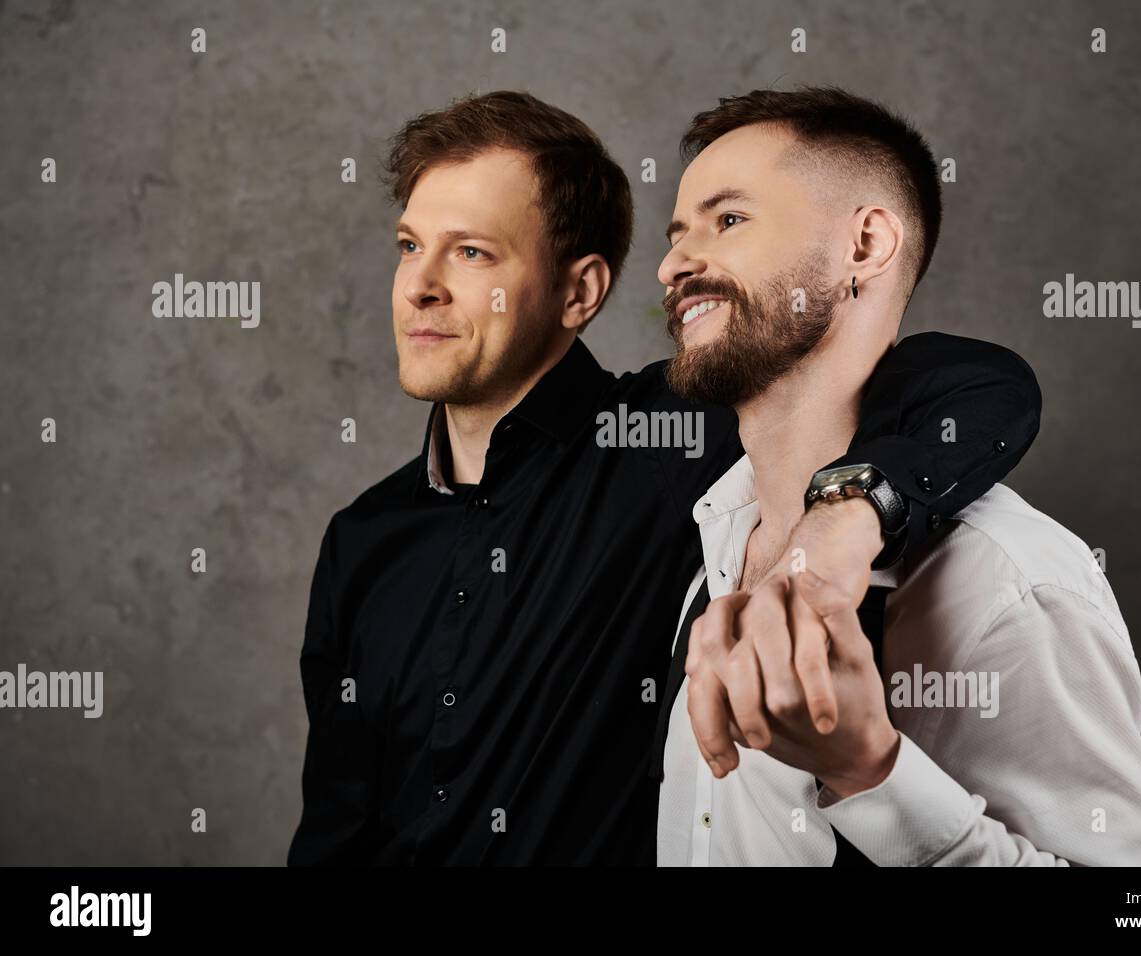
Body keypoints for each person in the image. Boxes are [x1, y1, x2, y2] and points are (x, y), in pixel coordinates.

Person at [287, 91, 1041, 866]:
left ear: (579, 292)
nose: (420, 285)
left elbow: (977, 386)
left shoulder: (681, 435)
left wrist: (851, 513)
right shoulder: (362, 537)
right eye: (410, 246)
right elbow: (337, 829)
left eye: (472, 252)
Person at [655, 86, 1141, 866]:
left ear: (864, 246)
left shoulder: (1006, 583)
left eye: (728, 220)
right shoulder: (715, 535)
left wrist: (871, 774)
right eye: (676, 234)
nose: (672, 264)